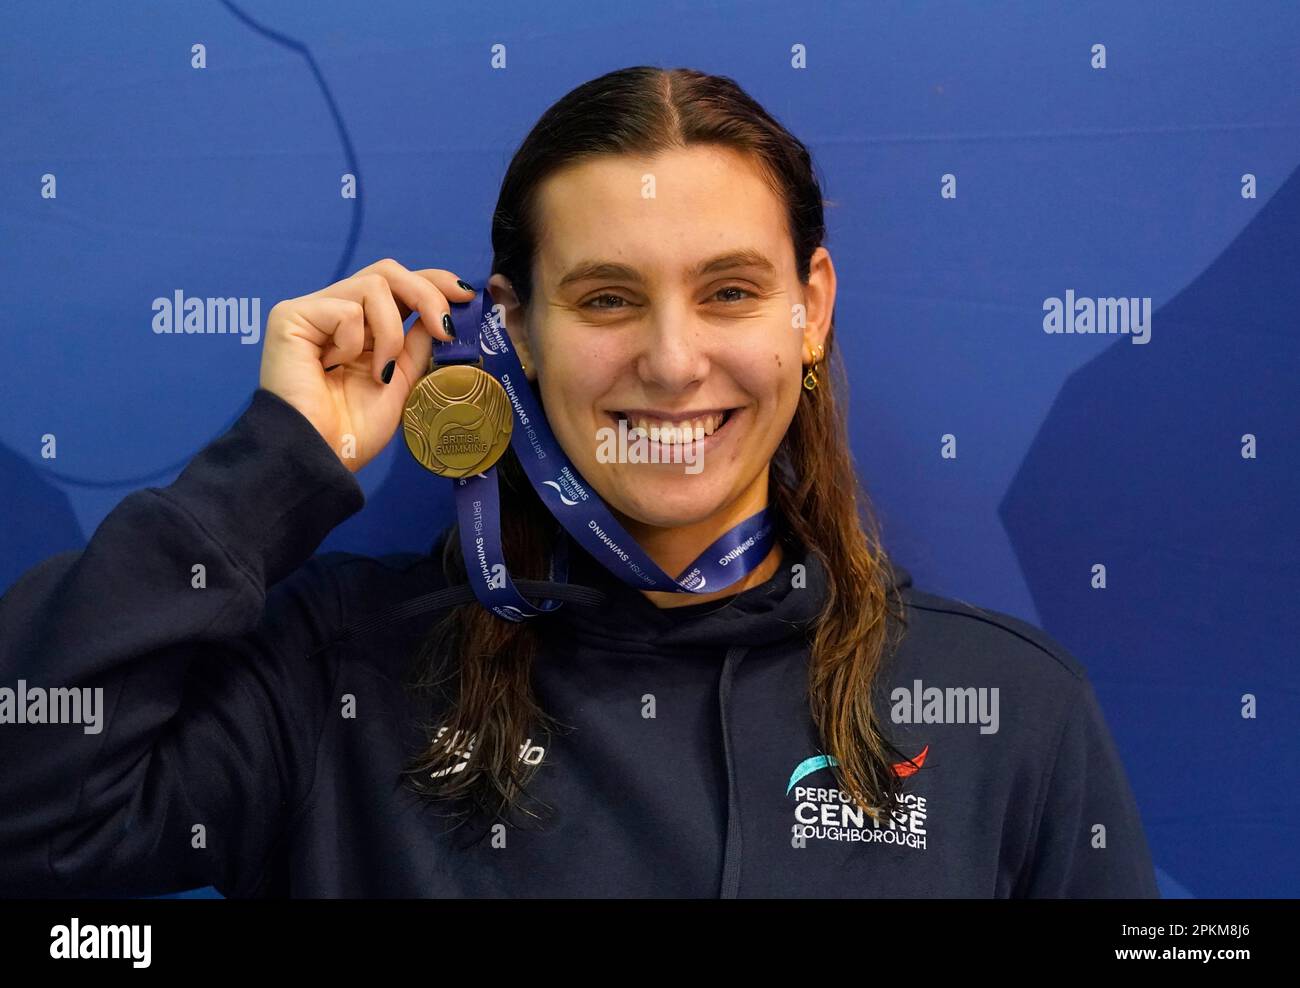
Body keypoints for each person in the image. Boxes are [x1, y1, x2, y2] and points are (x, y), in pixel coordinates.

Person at [0, 65, 1158, 898]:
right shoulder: (337, 674)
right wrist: (270, 469)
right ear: (512, 330)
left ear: (812, 308)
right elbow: (30, 825)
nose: (670, 359)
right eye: (606, 298)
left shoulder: (1008, 707)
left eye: (729, 292)